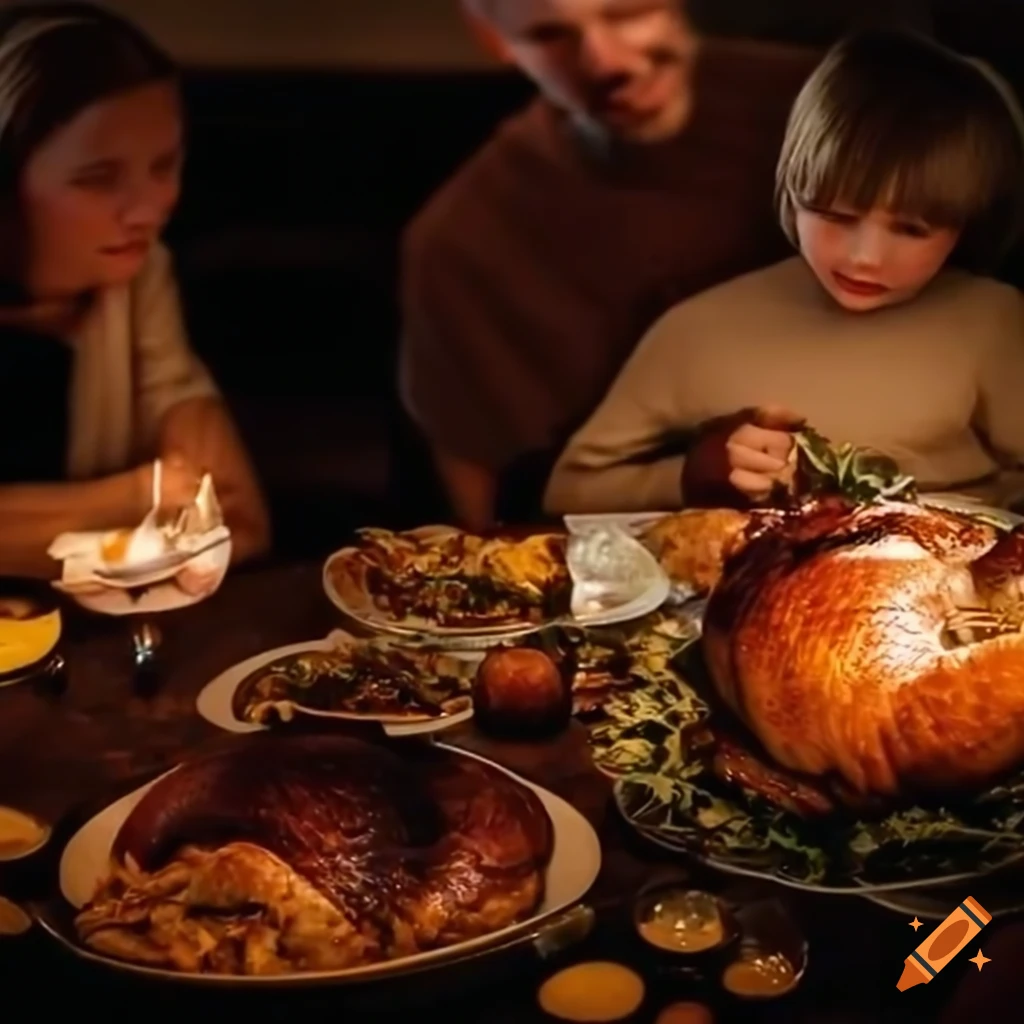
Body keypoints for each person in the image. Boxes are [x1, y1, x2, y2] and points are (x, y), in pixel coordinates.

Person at [544, 29, 1024, 515]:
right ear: (792, 193)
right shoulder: (698, 331)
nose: (865, 257)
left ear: (965, 225)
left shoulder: (994, 323)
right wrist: (696, 478)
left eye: (912, 230)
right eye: (835, 216)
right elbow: (569, 489)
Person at [398, 0, 819, 531]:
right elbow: (488, 513)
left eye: (627, 12)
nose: (606, 63)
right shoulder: (464, 240)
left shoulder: (844, 102)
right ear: (493, 38)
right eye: (551, 35)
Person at [0, 3, 270, 577]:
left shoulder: (138, 274)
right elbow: (173, 497)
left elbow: (237, 521)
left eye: (165, 165)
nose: (149, 210)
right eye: (98, 179)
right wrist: (134, 496)